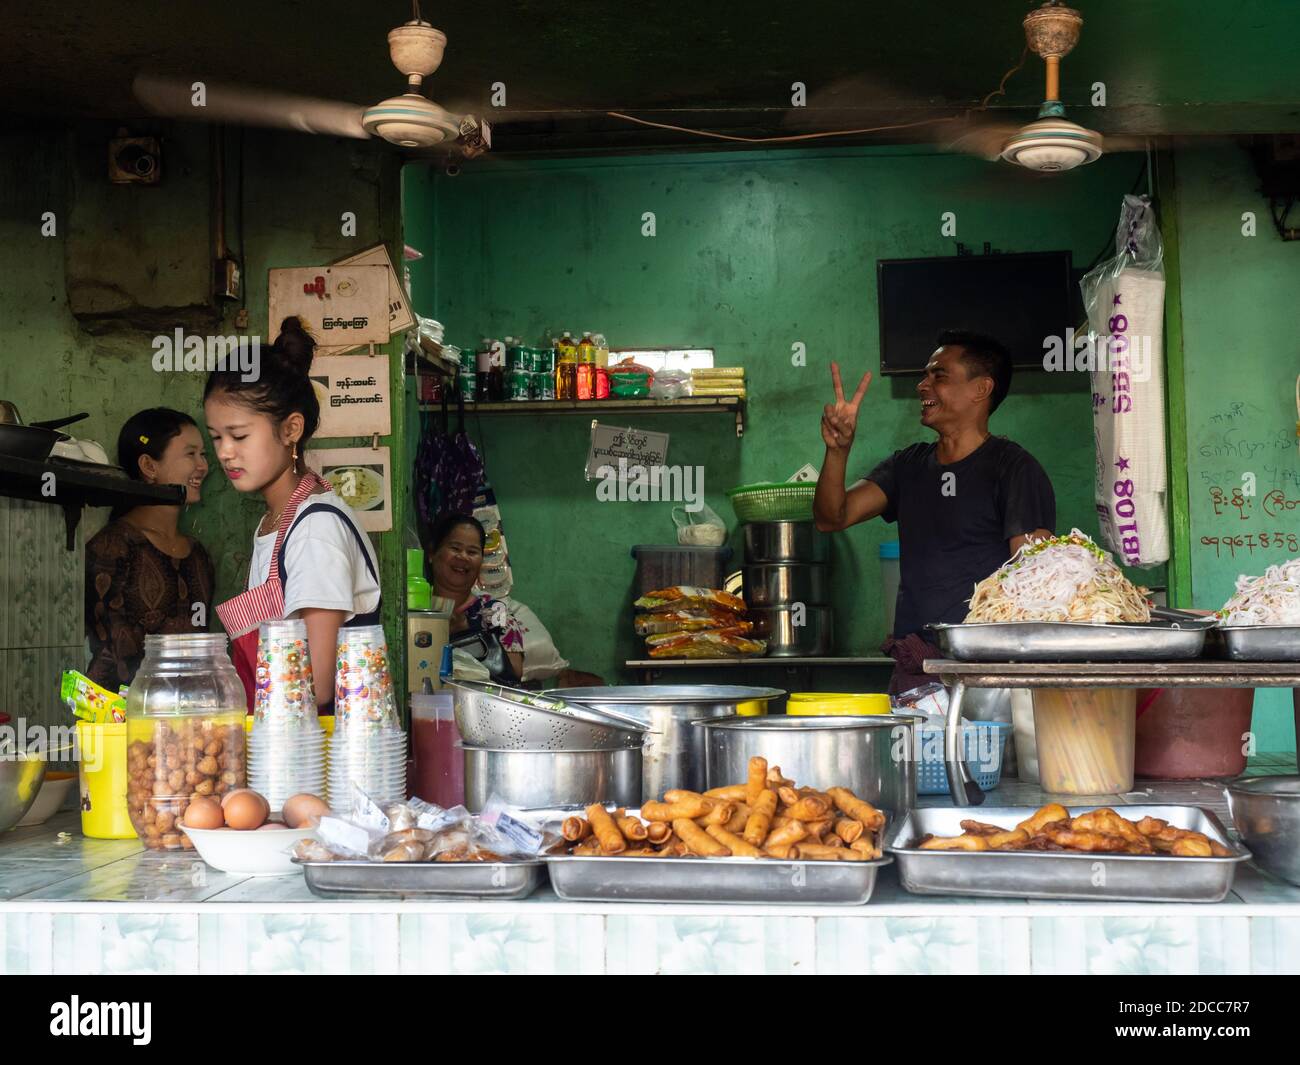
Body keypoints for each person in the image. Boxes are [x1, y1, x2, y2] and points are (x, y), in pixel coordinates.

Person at [814, 330, 1056, 693]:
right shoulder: (907, 466)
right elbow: (832, 517)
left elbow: (1035, 581)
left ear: (981, 389)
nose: (922, 386)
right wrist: (837, 451)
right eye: (925, 375)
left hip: (986, 670)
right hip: (916, 664)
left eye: (938, 376)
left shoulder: (1014, 468)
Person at [207, 317, 381, 713]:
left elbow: (316, 685)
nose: (224, 452)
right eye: (216, 437)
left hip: (315, 755)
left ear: (291, 430)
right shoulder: (277, 523)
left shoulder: (314, 530)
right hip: (281, 745)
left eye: (239, 436)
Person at [85, 409, 215, 689]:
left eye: (203, 454)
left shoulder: (197, 554)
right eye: (190, 454)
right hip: (125, 720)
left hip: (192, 717)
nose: (203, 465)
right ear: (149, 466)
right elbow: (111, 657)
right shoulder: (113, 548)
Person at [425, 512, 576, 686]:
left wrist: (465, 632)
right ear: (432, 553)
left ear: (481, 561)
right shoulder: (414, 606)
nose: (463, 556)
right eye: (455, 548)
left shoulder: (495, 610)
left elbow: (513, 672)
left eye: (472, 551)